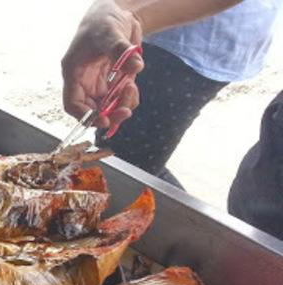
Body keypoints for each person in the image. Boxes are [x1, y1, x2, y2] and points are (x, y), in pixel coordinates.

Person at [62, 0, 283, 240]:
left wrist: (127, 12)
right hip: (169, 24)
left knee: (127, 158)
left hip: (193, 42)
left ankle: (194, 240)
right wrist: (126, 13)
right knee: (251, 227)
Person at [94, 1, 283, 187]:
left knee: (122, 163)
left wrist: (120, 14)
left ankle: (191, 218)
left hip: (186, 41)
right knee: (122, 155)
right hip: (163, 29)